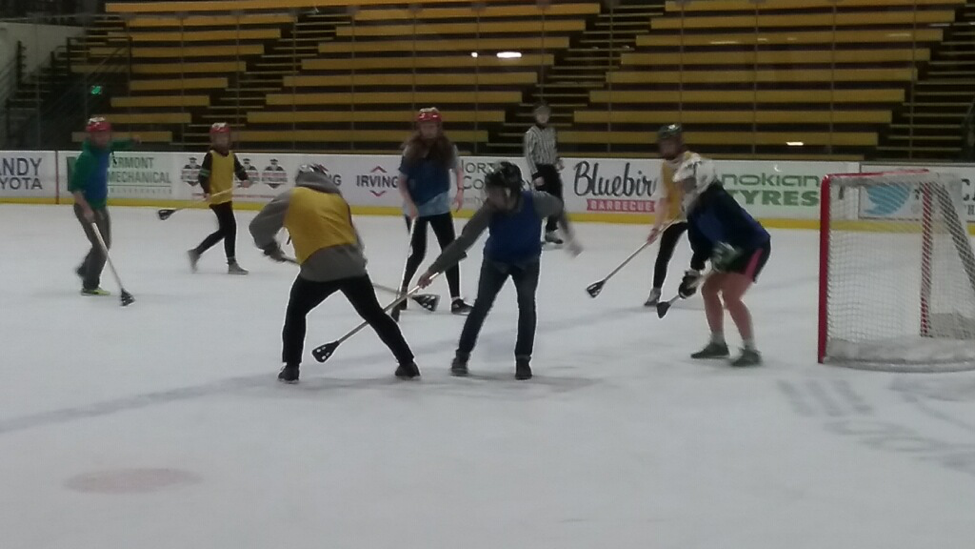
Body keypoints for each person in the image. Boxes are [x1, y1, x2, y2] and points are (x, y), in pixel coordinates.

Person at [250, 164, 419, 384]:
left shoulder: (293, 196)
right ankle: (407, 363)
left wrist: (269, 247)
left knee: (296, 311)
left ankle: (291, 367)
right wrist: (353, 263)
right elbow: (355, 238)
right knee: (374, 313)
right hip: (352, 263)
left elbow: (258, 227)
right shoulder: (338, 200)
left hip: (319, 266)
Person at [417, 162, 581, 381]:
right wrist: (432, 270)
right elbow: (463, 241)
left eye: (494, 192)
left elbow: (558, 208)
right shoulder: (489, 210)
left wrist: (569, 236)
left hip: (527, 262)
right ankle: (462, 356)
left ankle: (523, 359)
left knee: (526, 304)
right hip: (496, 262)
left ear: (509, 191)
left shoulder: (537, 202)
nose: (489, 197)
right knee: (481, 305)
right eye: (489, 191)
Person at [673, 153, 771, 367]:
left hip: (753, 247)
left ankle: (750, 349)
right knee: (708, 290)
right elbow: (701, 245)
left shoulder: (720, 200)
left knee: (731, 296)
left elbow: (742, 230)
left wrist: (728, 250)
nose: (683, 188)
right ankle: (718, 343)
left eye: (687, 182)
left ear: (701, 179)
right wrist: (694, 271)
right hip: (731, 249)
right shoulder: (694, 208)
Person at [68, 117, 138, 296]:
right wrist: (85, 208)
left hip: (100, 204)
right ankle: (90, 285)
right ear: (90, 136)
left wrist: (131, 142)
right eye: (98, 134)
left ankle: (85, 269)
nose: (103, 138)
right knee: (101, 247)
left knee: (104, 244)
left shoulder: (104, 148)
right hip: (87, 206)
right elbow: (74, 187)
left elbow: (116, 146)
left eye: (105, 134)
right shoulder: (87, 158)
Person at [187, 123, 252, 275]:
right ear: (214, 139)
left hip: (226, 197)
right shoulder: (211, 155)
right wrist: (207, 191)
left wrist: (245, 179)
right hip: (216, 198)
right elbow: (202, 176)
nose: (222, 140)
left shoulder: (231, 154)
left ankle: (196, 252)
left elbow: (239, 170)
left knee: (226, 230)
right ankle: (231, 263)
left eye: (224, 137)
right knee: (230, 228)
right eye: (218, 138)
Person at [645, 124, 693, 307]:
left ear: (679, 143)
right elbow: (664, 200)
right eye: (663, 144)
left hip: (698, 215)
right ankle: (655, 290)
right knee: (663, 254)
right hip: (676, 217)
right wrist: (655, 228)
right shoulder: (665, 167)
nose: (666, 148)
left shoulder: (693, 161)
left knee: (705, 251)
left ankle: (717, 288)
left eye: (670, 144)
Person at [523, 101, 565, 246]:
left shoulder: (551, 131)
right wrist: (535, 175)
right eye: (539, 114)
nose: (542, 117)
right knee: (540, 204)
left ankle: (551, 230)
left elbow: (553, 149)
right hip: (539, 169)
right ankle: (532, 234)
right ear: (535, 115)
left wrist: (557, 160)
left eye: (545, 114)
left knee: (557, 201)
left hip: (551, 169)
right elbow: (528, 155)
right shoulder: (531, 133)